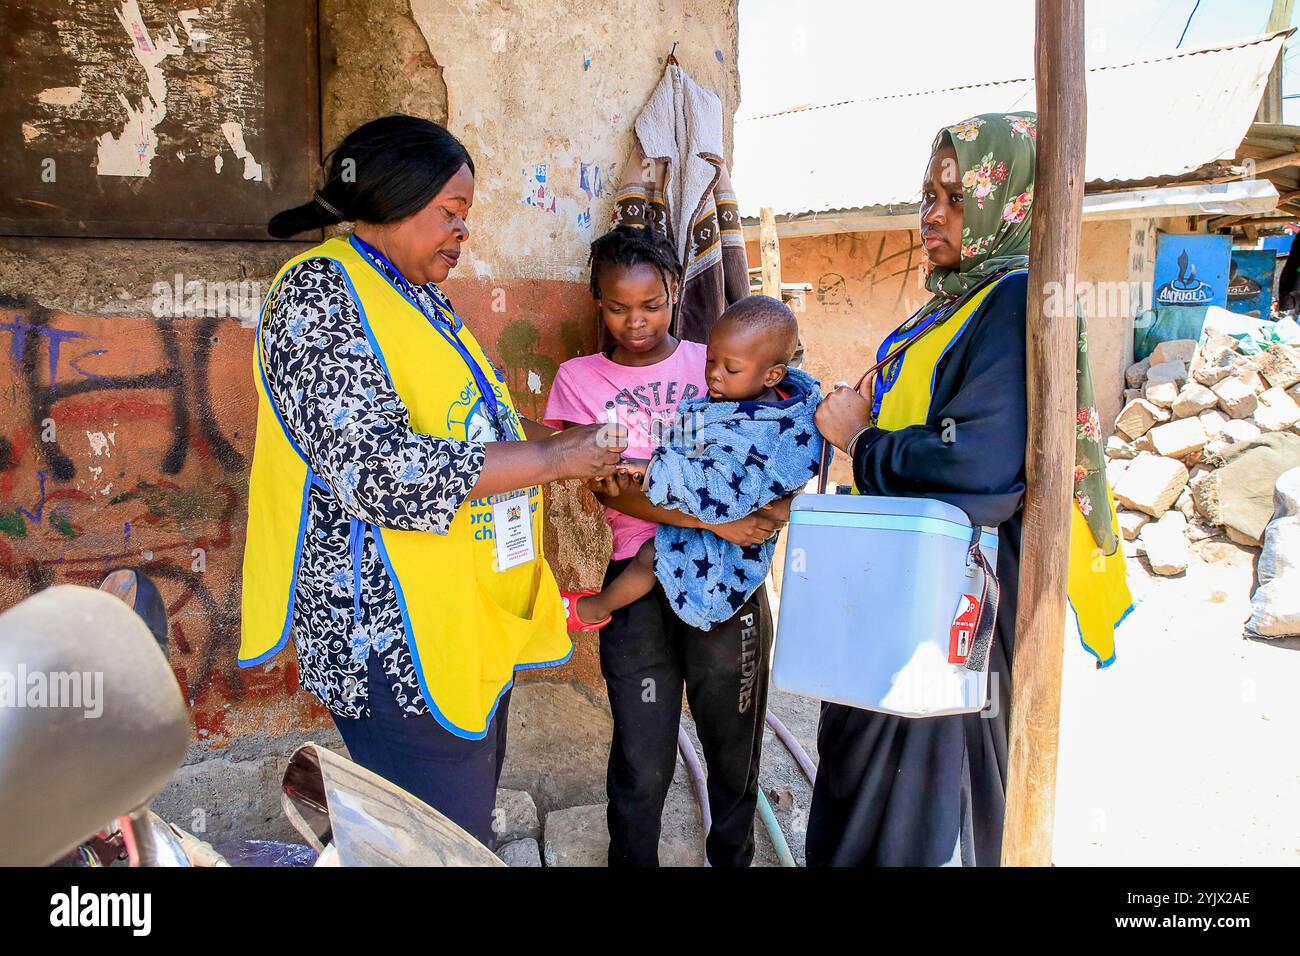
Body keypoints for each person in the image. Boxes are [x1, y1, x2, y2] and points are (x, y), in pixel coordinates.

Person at [238, 115, 625, 847]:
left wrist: (574, 445)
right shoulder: (317, 295)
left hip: (459, 616)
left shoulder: (421, 298)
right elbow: (376, 472)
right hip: (390, 639)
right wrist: (553, 461)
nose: (462, 233)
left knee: (452, 836)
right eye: (451, 215)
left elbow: (476, 432)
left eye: (465, 217)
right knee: (437, 845)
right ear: (391, 199)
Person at [809, 112, 1131, 866]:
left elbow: (976, 464)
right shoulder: (959, 300)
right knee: (872, 778)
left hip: (954, 600)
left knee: (919, 798)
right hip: (905, 580)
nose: (932, 214)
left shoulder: (1016, 302)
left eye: (957, 196)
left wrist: (862, 441)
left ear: (1009, 201)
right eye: (927, 194)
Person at [543, 225, 791, 866]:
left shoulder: (722, 359)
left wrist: (737, 522)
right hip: (637, 575)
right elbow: (607, 492)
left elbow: (768, 457)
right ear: (597, 301)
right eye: (618, 306)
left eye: (652, 304)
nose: (636, 322)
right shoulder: (579, 379)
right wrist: (714, 520)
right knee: (642, 752)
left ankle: (731, 857)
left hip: (724, 579)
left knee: (732, 743)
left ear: (675, 291)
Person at [561, 294, 821, 632]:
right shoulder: (704, 406)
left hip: (739, 543)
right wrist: (651, 472)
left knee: (652, 557)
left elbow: (735, 487)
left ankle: (595, 608)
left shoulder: (788, 428)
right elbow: (675, 451)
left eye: (731, 369)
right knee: (649, 555)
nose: (714, 375)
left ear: (773, 375)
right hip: (688, 519)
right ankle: (594, 610)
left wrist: (650, 470)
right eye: (710, 360)